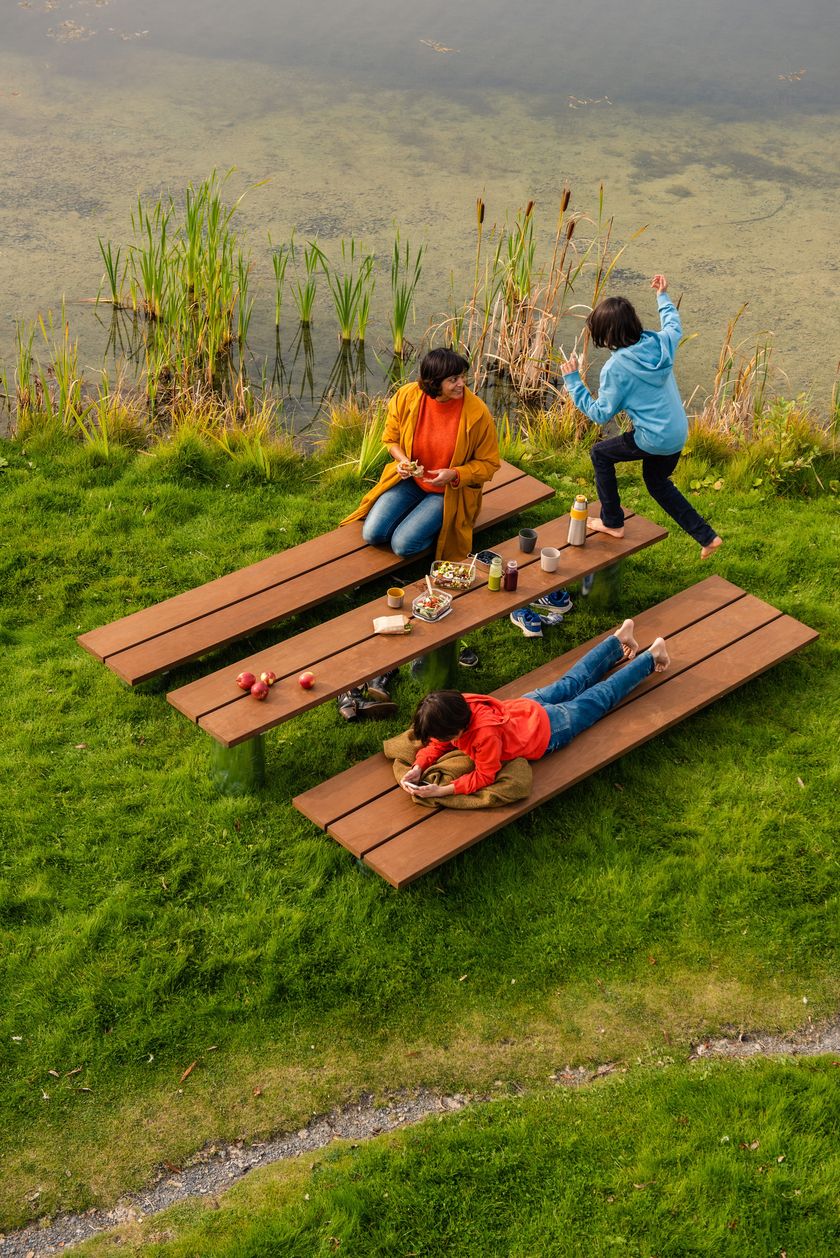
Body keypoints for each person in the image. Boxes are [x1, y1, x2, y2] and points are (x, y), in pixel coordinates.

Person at [399, 620, 670, 798]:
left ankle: (651, 656)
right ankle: (618, 640)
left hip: (551, 728)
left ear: (456, 729)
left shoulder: (484, 736)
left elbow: (484, 775)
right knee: (574, 681)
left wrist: (441, 791)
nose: (443, 742)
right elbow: (438, 742)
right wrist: (420, 765)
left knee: (601, 696)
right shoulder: (460, 704)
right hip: (527, 706)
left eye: (446, 737)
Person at [560, 274, 722, 560]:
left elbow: (600, 414)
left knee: (600, 453)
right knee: (657, 481)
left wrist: (573, 380)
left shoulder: (616, 368)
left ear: (607, 336)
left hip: (654, 437)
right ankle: (707, 537)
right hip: (677, 431)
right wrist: (662, 296)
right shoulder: (661, 343)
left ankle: (612, 522)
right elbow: (674, 325)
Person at [342, 348, 501, 560]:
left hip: (447, 492)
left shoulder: (477, 413)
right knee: (372, 534)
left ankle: (441, 530)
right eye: (453, 379)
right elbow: (390, 439)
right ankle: (421, 519)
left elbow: (489, 464)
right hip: (410, 482)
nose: (462, 383)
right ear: (435, 382)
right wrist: (403, 461)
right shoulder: (408, 396)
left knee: (402, 545)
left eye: (463, 376)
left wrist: (455, 474)